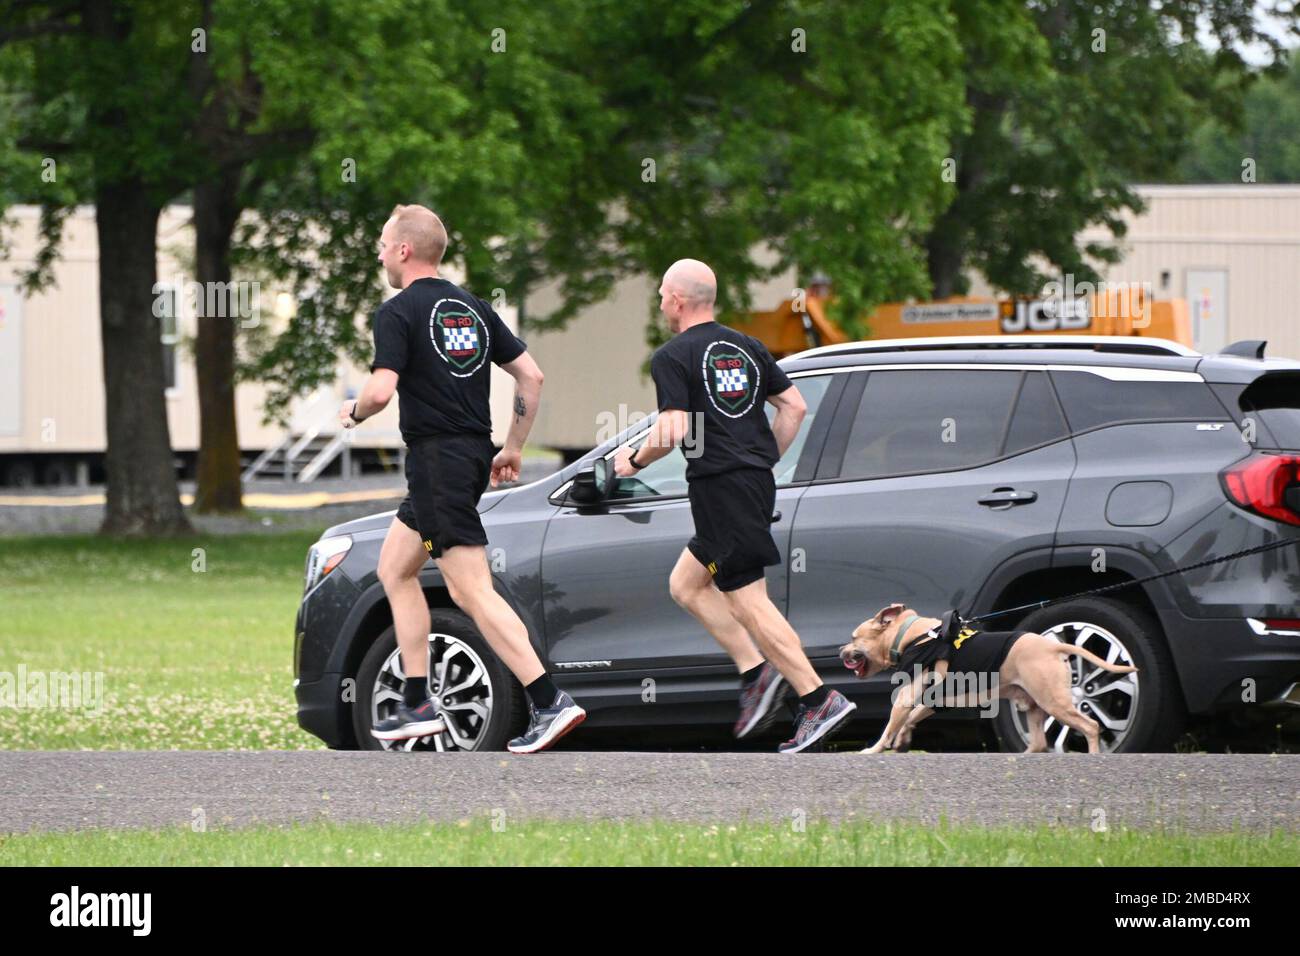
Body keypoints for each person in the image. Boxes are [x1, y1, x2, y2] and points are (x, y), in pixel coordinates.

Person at [341, 203, 584, 754]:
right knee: (396, 568)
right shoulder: (472, 308)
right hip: (469, 457)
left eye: (383, 243)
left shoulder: (398, 311)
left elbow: (379, 393)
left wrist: (354, 412)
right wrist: (513, 447)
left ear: (403, 250)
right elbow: (531, 374)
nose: (379, 252)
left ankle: (549, 700)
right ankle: (416, 699)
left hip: (436, 461)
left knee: (469, 587)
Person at [613, 258, 856, 753]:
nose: (660, 301)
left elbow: (675, 429)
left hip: (722, 487)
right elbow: (794, 407)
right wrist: (763, 458)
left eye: (662, 293)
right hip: (744, 485)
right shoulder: (746, 347)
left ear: (678, 300)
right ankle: (756, 672)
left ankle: (817, 699)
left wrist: (632, 462)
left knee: (748, 599)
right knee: (686, 583)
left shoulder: (673, 355)